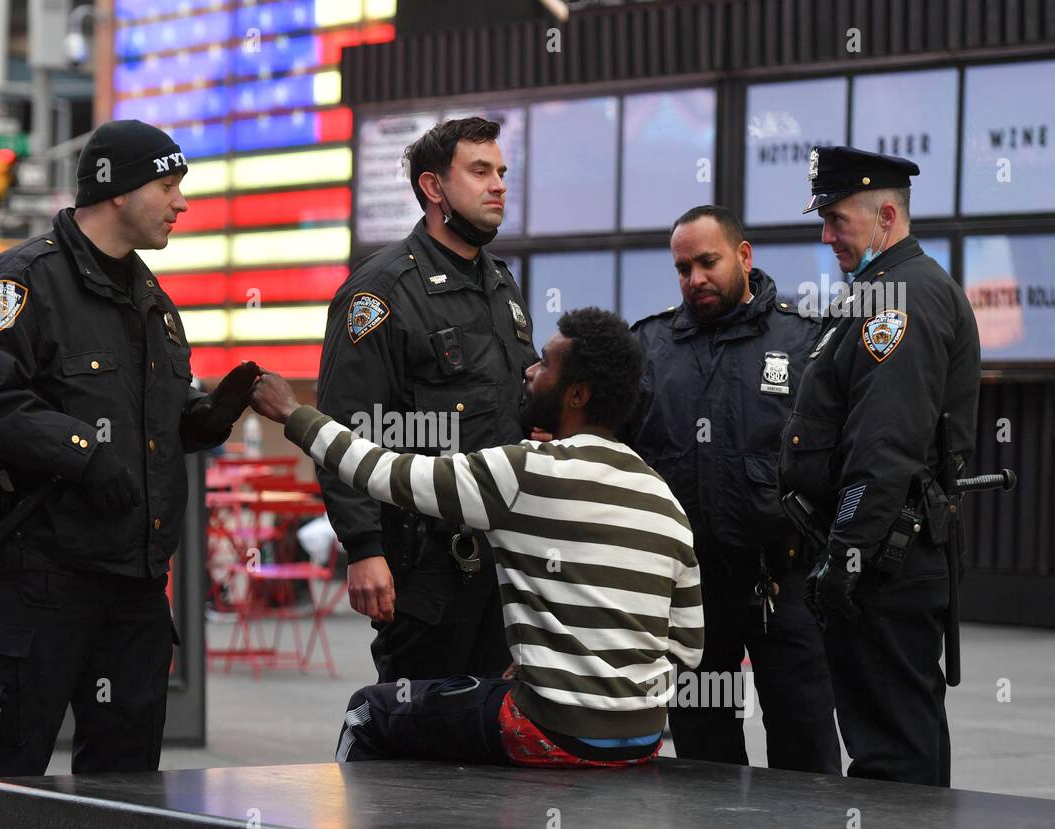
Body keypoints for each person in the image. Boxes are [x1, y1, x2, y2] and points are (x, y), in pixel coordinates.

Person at [251, 308, 704, 767]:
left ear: (577, 394)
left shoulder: (525, 472)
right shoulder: (662, 498)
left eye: (545, 364)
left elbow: (386, 473)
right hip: (643, 738)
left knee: (369, 713)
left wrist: (293, 413)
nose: (528, 371)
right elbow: (687, 647)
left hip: (551, 730)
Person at [0, 119, 259, 778]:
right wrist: (83, 450)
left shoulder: (154, 302)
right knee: (11, 785)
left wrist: (209, 417)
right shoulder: (17, 280)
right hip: (41, 580)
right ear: (117, 189)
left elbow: (155, 427)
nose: (182, 202)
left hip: (135, 588)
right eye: (169, 184)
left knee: (126, 791)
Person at [779, 145, 981, 787]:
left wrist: (848, 556)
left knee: (892, 756)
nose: (826, 234)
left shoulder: (899, 301)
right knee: (890, 740)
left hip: (885, 561)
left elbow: (883, 447)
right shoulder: (880, 291)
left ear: (886, 216)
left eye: (837, 218)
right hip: (885, 555)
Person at [315, 117, 539, 684]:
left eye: (502, 172)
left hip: (506, 561)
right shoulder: (382, 291)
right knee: (416, 745)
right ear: (433, 187)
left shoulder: (501, 285)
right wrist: (364, 548)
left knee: (497, 740)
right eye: (480, 171)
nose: (499, 186)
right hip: (425, 563)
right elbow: (345, 429)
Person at [627, 206, 840, 775]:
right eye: (682, 268)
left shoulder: (805, 343)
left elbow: (838, 462)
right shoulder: (649, 349)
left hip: (786, 582)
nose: (694, 279)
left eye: (707, 262)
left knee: (805, 745)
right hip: (690, 591)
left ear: (743, 257)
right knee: (701, 753)